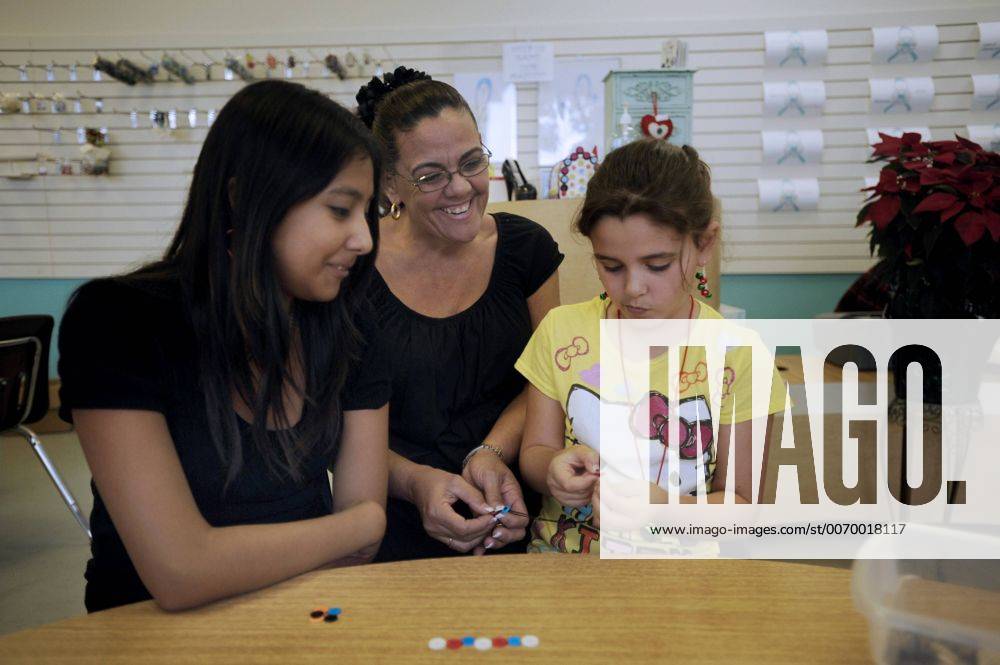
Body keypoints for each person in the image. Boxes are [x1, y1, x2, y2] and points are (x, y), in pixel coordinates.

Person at [58, 80, 389, 612]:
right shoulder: (117, 322)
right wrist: (359, 521)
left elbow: (363, 543)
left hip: (310, 619)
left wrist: (360, 524)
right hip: (148, 637)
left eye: (367, 211)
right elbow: (180, 570)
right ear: (243, 197)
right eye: (339, 209)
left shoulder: (349, 321)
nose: (364, 239)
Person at [516, 139, 786, 554]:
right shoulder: (561, 331)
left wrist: (663, 508)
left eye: (657, 265)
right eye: (611, 266)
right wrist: (552, 470)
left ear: (704, 244)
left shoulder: (740, 356)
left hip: (683, 584)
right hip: (564, 572)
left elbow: (742, 506)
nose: (633, 288)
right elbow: (535, 451)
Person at [355, 67, 562, 559]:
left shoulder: (525, 252)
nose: (461, 188)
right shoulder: (354, 269)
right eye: (431, 175)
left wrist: (490, 454)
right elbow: (337, 424)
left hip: (513, 511)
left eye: (472, 163)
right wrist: (417, 482)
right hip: (395, 518)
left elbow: (549, 378)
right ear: (389, 185)